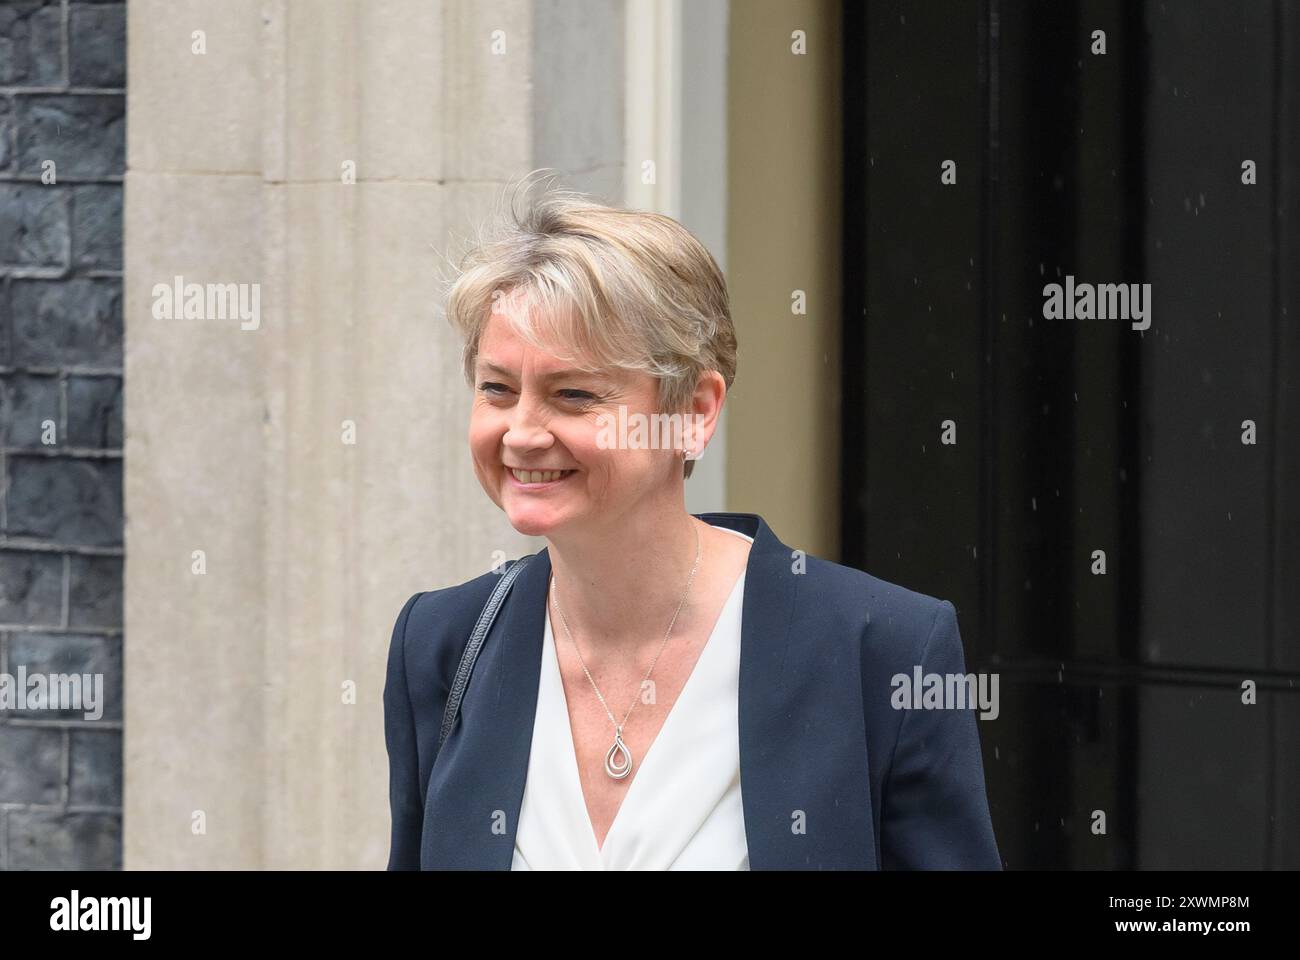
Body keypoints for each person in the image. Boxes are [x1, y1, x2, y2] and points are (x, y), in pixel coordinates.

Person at [384, 173, 1000, 870]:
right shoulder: (440, 644)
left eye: (574, 394)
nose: (522, 432)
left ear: (696, 411)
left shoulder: (882, 649)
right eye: (497, 388)